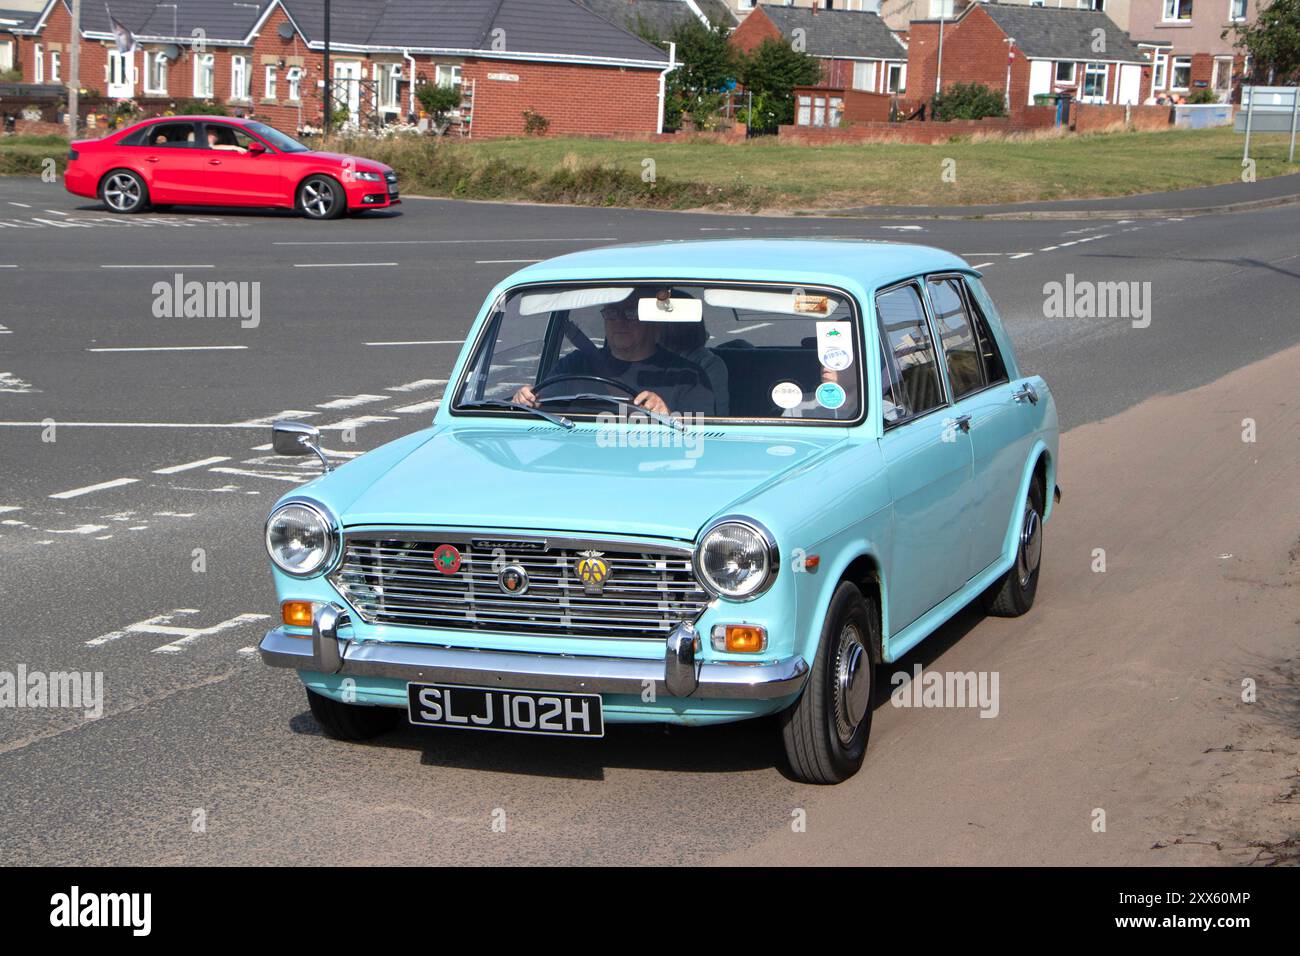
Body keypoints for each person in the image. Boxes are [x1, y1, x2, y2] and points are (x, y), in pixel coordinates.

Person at [512, 292, 719, 416]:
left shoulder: (687, 376)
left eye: (630, 313)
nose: (619, 321)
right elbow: (541, 412)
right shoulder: (574, 365)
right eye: (612, 312)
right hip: (578, 466)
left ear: (653, 321)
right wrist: (526, 401)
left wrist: (668, 415)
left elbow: (705, 440)